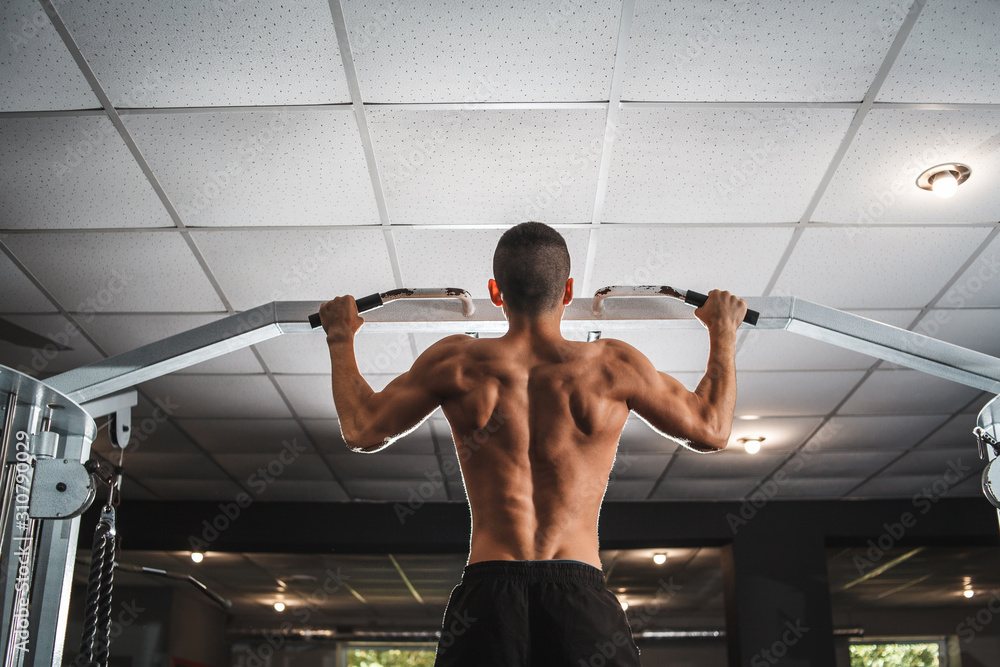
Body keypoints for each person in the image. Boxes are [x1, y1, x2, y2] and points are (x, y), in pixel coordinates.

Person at [319, 221, 748, 666]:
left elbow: (362, 429)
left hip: (488, 596)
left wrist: (339, 336)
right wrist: (723, 331)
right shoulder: (611, 366)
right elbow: (711, 428)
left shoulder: (457, 363)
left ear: (495, 292)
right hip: (579, 596)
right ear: (568, 291)